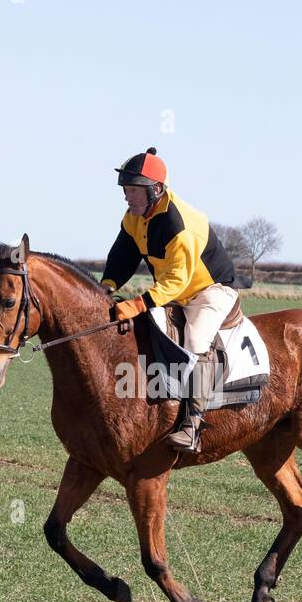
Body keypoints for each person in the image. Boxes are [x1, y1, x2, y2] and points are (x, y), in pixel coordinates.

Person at [104, 147, 239, 452]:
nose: (127, 196)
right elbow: (122, 256)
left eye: (133, 190)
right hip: (175, 289)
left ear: (156, 190)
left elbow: (176, 282)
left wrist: (138, 304)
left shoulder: (179, 226)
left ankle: (193, 424)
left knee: (194, 340)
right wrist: (107, 286)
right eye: (125, 189)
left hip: (210, 290)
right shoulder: (135, 217)